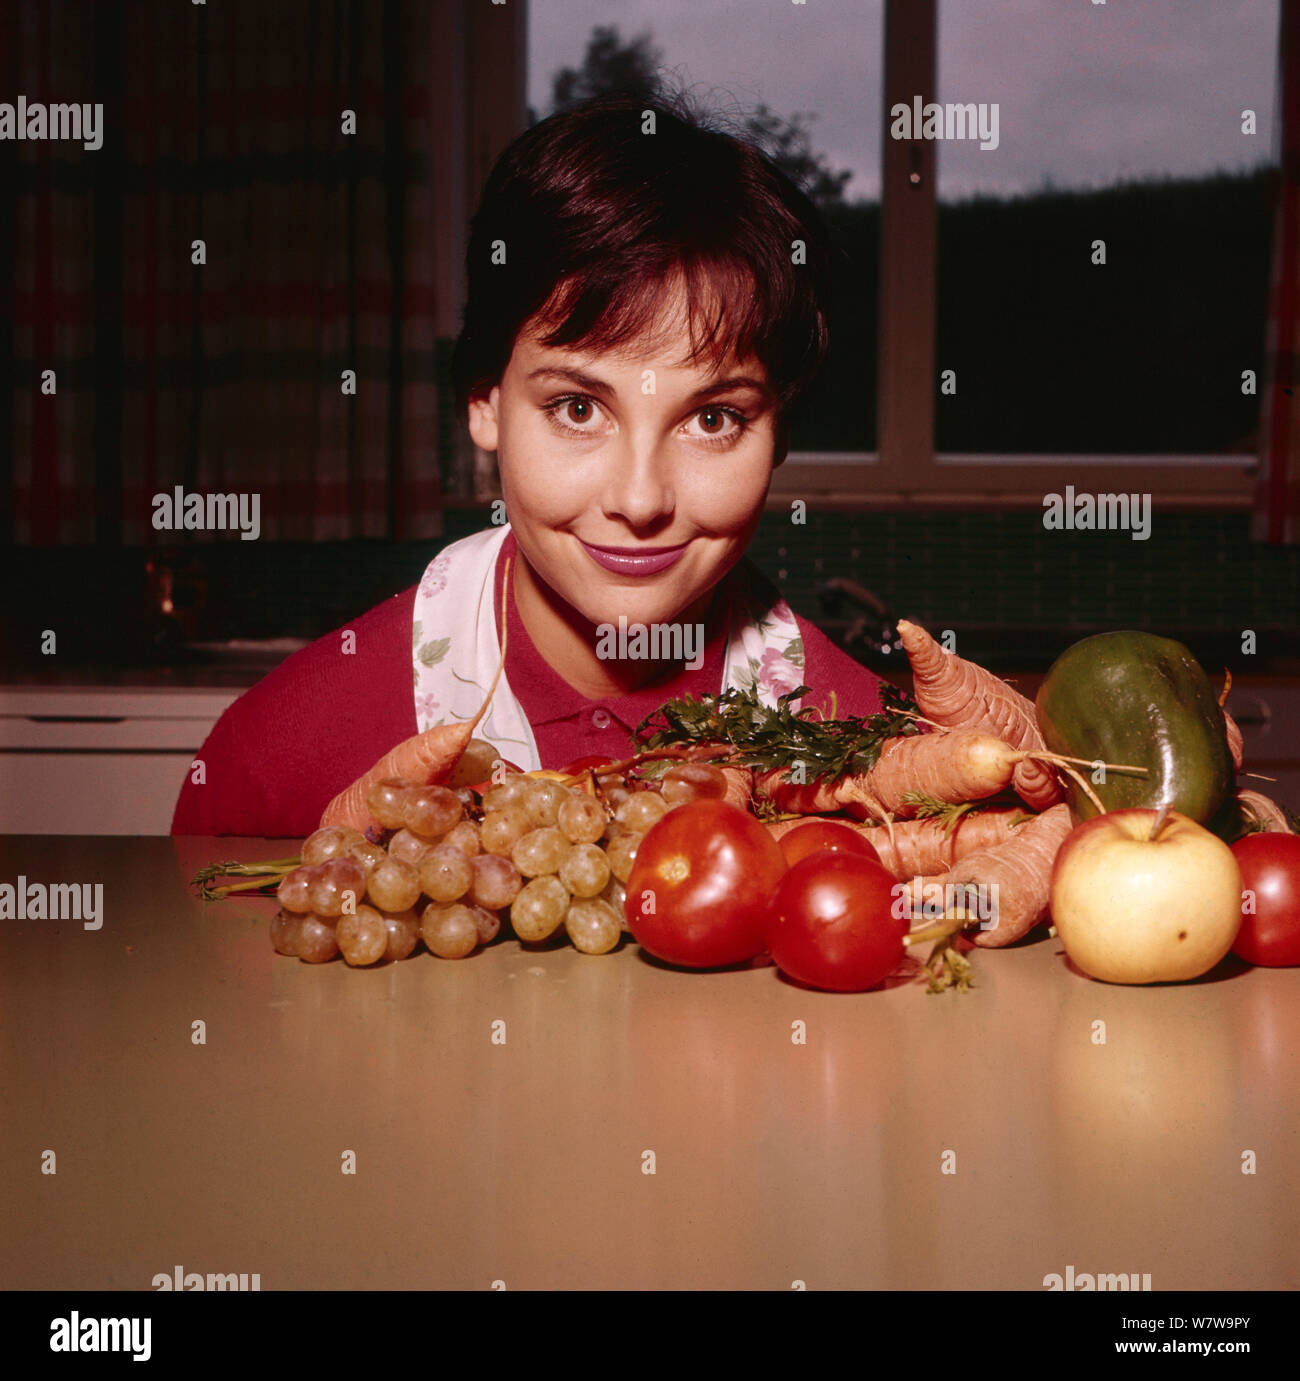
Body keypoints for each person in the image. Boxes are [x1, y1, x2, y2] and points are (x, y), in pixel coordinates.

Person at [171, 91, 888, 838]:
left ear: (778, 435)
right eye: (578, 408)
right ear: (484, 400)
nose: (640, 500)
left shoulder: (876, 764)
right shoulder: (268, 761)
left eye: (712, 419)